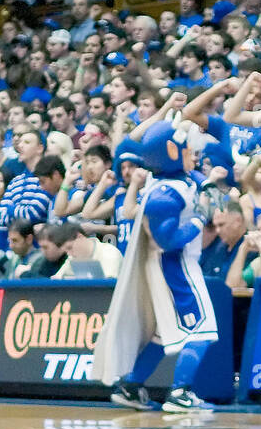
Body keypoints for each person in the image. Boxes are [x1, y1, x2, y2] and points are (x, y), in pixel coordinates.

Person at [91, 122, 219, 413]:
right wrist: (200, 220)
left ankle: (132, 386)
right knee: (202, 330)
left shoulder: (172, 182)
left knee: (164, 332)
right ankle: (180, 392)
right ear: (171, 152)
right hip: (176, 265)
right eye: (187, 150)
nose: (193, 155)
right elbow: (168, 240)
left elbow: (197, 182)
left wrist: (210, 184)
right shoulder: (165, 196)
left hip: (167, 265)